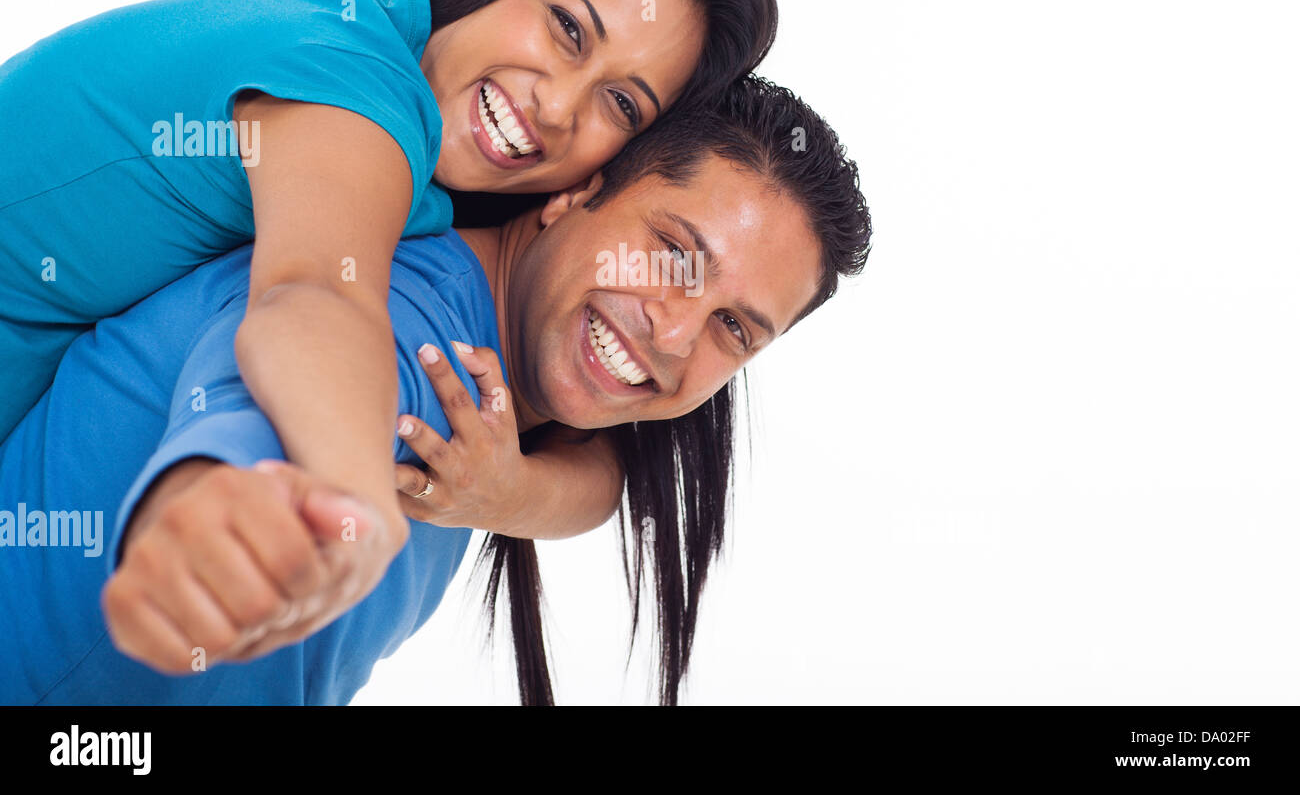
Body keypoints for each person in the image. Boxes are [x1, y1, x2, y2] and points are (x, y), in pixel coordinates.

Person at [0, 78, 872, 705]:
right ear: (578, 193)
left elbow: (596, 489)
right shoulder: (410, 323)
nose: (676, 334)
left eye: (734, 329)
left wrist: (517, 491)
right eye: (673, 256)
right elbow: (280, 392)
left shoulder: (499, 431)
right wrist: (227, 498)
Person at [0, 0, 778, 561]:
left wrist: (513, 493)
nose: (556, 105)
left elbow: (602, 464)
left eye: (621, 104)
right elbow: (310, 297)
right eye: (568, 29)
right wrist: (347, 499)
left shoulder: (427, 157)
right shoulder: (355, 94)